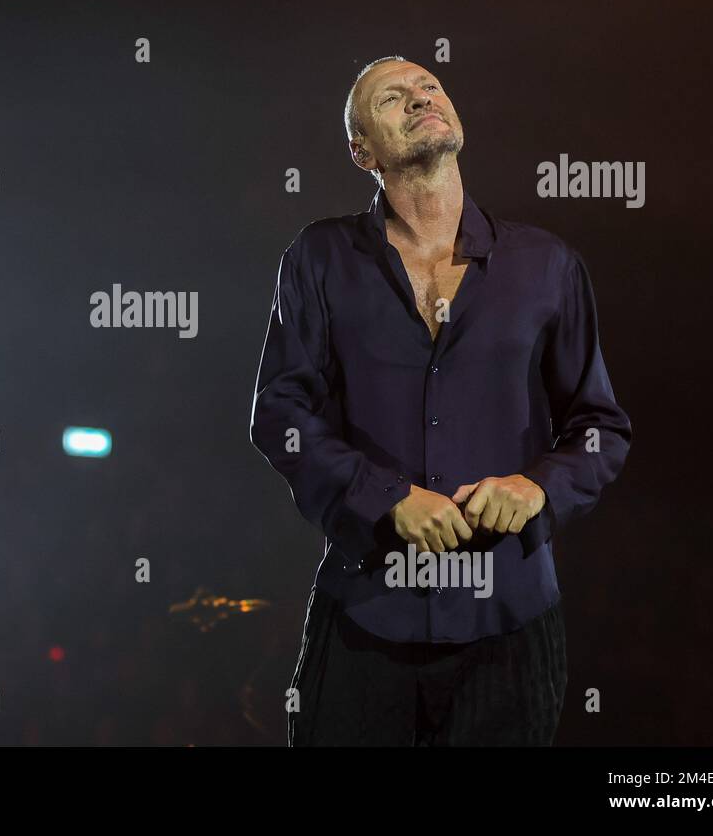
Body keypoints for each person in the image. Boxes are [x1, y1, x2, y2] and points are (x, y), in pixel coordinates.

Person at [249, 56, 632, 745]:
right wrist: (384, 496)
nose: (420, 97)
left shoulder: (547, 265)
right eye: (392, 98)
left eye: (430, 86)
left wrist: (539, 488)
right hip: (365, 615)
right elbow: (280, 415)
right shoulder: (318, 258)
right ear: (362, 151)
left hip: (510, 623)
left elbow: (600, 427)